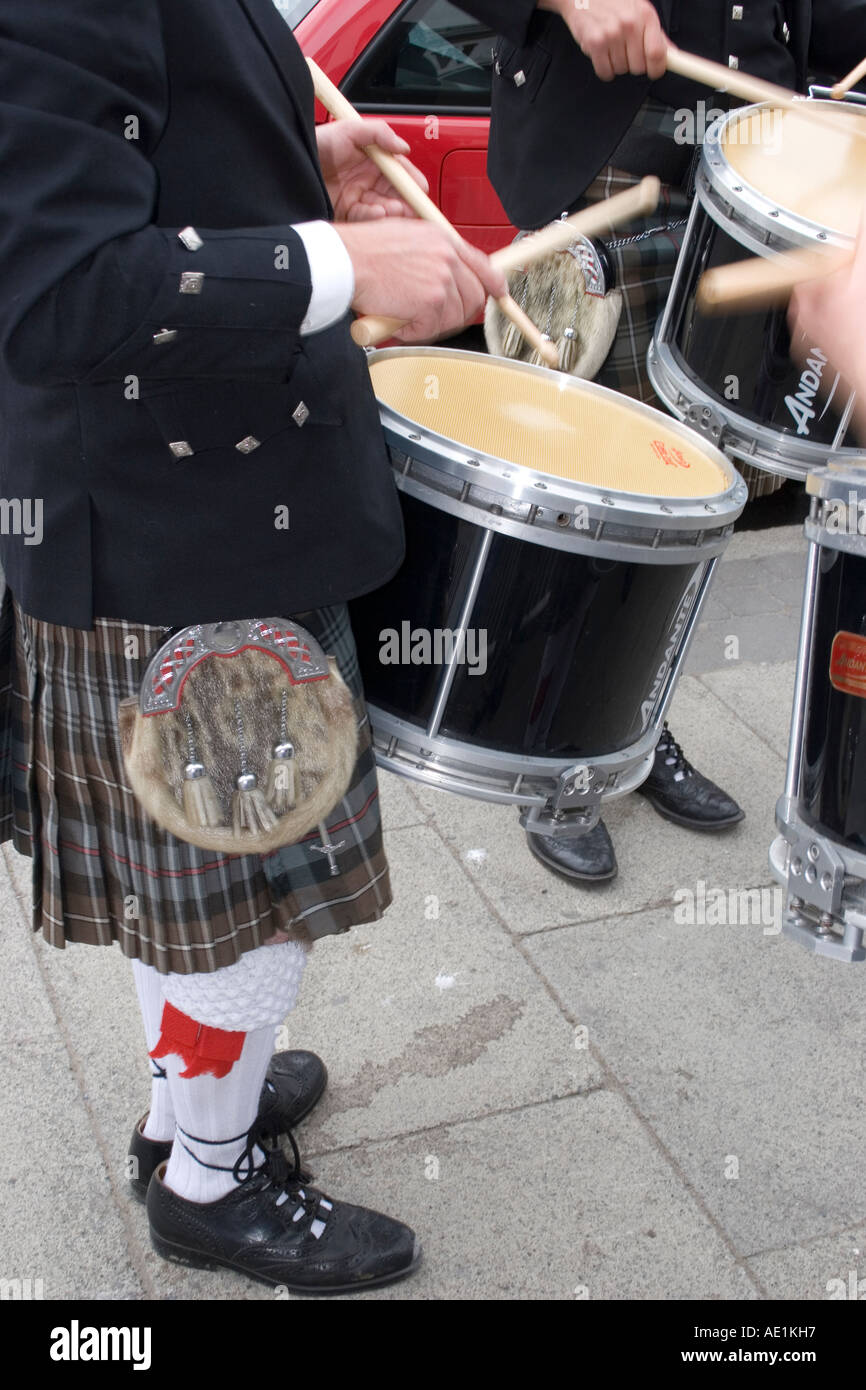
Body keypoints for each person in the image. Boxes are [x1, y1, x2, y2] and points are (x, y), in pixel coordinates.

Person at [0, 0, 506, 1295]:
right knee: (241, 905)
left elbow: (147, 155)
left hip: (209, 509)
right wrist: (332, 265)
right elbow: (53, 290)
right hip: (178, 536)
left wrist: (296, 181)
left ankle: (187, 1108)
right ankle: (209, 1189)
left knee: (201, 896)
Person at [459, 0, 866, 884]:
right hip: (610, 162)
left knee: (696, 495)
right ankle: (554, 762)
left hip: (754, 174)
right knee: (585, 494)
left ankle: (638, 722)